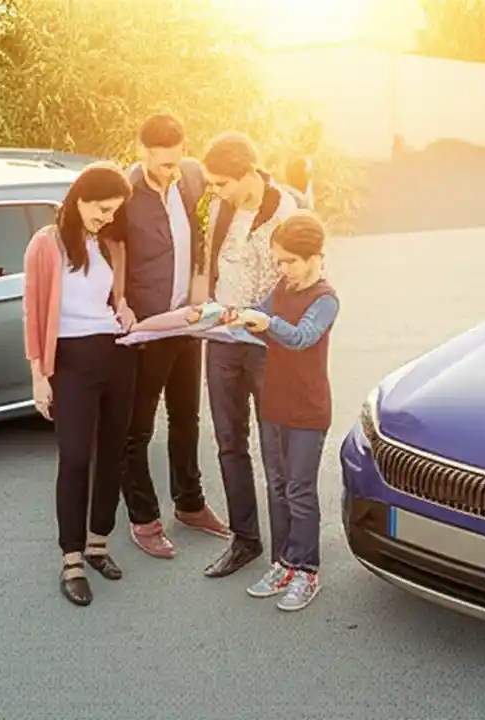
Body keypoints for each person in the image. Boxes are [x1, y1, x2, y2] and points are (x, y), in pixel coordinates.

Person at [109, 114, 229, 560]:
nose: (171, 171)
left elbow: (210, 225)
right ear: (141, 153)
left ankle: (191, 504)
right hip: (146, 328)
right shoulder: (123, 192)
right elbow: (113, 251)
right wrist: (120, 303)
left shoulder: (193, 176)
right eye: (162, 165)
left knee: (186, 419)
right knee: (135, 431)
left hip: (189, 321)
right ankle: (144, 519)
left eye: (176, 162)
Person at [23, 160, 137, 607]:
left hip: (115, 354)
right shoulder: (46, 245)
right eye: (102, 208)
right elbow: (33, 313)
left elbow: (112, 298)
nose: (107, 217)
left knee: (114, 452)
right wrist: (38, 376)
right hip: (69, 360)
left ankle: (98, 543)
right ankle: (71, 558)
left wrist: (124, 309)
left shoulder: (108, 243)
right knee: (74, 457)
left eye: (114, 211)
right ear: (80, 198)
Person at [197, 131, 303, 579]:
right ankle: (246, 542)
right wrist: (204, 312)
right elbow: (210, 262)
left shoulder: (289, 211)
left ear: (246, 174)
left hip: (266, 348)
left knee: (275, 451)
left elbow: (296, 285)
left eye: (221, 182)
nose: (214, 191)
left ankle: (288, 553)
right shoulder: (222, 208)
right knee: (228, 444)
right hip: (222, 342)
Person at [228, 210, 339, 612]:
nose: (284, 268)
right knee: (277, 486)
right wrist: (228, 316)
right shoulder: (283, 286)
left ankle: (306, 570)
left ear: (313, 256)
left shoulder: (325, 299)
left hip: (308, 410)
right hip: (274, 404)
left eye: (290, 261)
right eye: (280, 262)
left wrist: (264, 321)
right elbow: (257, 315)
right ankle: (283, 563)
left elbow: (301, 337)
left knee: (299, 490)